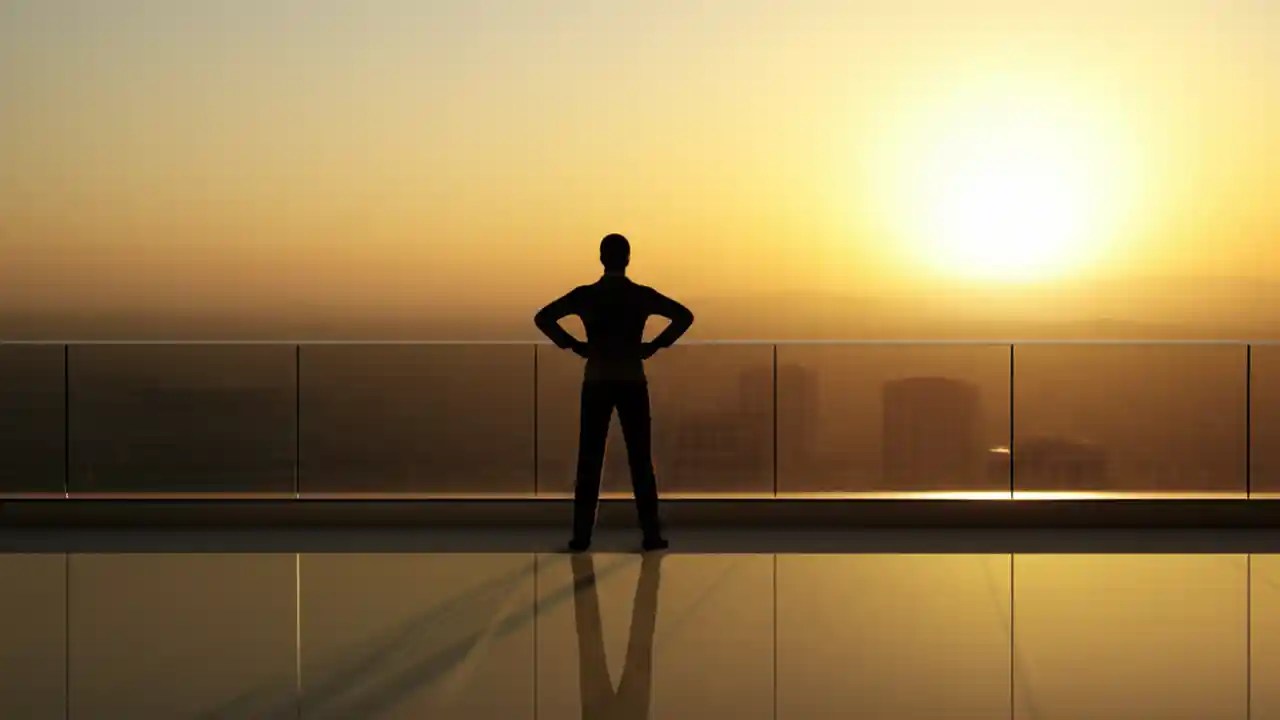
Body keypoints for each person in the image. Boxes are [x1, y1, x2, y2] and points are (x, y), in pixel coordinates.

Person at [535, 233, 694, 552]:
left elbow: (543, 318)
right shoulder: (640, 296)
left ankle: (582, 536)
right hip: (633, 380)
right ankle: (650, 534)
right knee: (640, 459)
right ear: (628, 258)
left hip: (596, 380)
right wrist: (653, 347)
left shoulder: (586, 295)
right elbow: (684, 316)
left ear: (601, 258)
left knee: (589, 459)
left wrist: (575, 346)